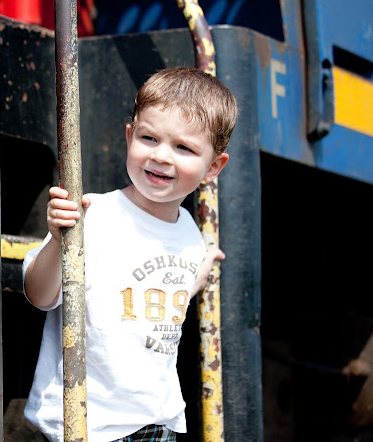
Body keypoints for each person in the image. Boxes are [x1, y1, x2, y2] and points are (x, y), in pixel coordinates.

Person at [22, 67, 238, 442]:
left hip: (157, 418)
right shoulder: (96, 214)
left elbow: (163, 295)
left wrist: (197, 278)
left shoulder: (190, 233)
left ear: (213, 167)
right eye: (149, 138)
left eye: (184, 147)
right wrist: (59, 240)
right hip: (86, 422)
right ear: (129, 137)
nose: (161, 156)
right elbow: (40, 295)